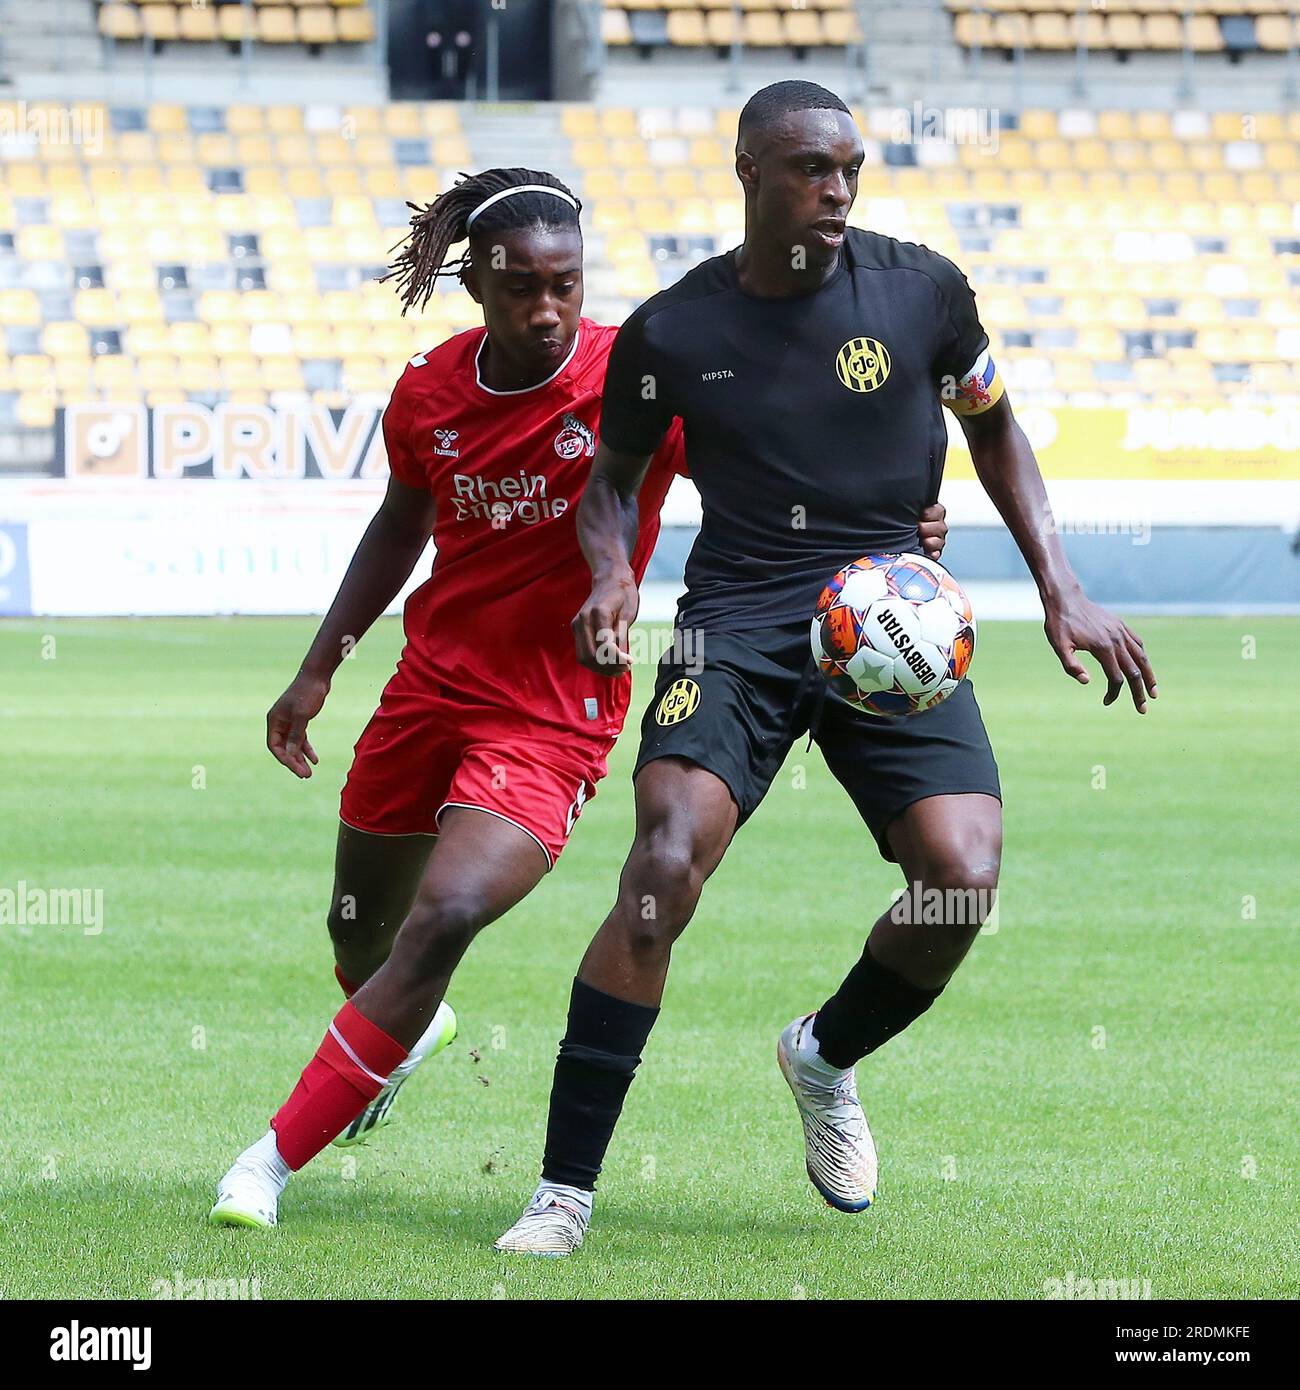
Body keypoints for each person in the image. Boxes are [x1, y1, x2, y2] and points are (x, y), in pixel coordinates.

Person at [207, 160, 959, 1229]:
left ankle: (265, 1164)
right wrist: (322, 660)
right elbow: (398, 524)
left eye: (566, 283)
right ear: (477, 286)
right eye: (522, 287)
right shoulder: (426, 387)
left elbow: (777, 463)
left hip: (550, 715)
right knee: (360, 934)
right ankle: (401, 1034)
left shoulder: (632, 373)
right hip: (427, 691)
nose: (549, 307)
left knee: (447, 914)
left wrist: (899, 520)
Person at [494, 82, 1157, 1256]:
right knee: (660, 866)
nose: (838, 189)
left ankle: (823, 1053)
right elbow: (610, 485)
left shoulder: (923, 292)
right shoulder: (671, 333)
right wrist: (610, 577)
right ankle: (562, 1191)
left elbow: (994, 425)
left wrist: (1061, 585)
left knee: (961, 877)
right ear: (748, 170)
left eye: (851, 167)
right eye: (811, 168)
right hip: (740, 621)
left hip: (893, 619)